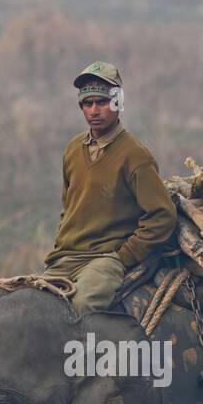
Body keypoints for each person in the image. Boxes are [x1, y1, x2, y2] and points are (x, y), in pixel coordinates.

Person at [43, 61, 177, 315]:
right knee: (35, 306)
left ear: (117, 103)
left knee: (82, 308)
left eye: (102, 102)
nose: (94, 110)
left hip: (104, 259)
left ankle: (86, 356)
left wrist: (123, 257)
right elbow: (69, 206)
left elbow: (162, 217)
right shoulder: (73, 149)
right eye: (87, 103)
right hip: (65, 257)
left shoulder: (135, 156)